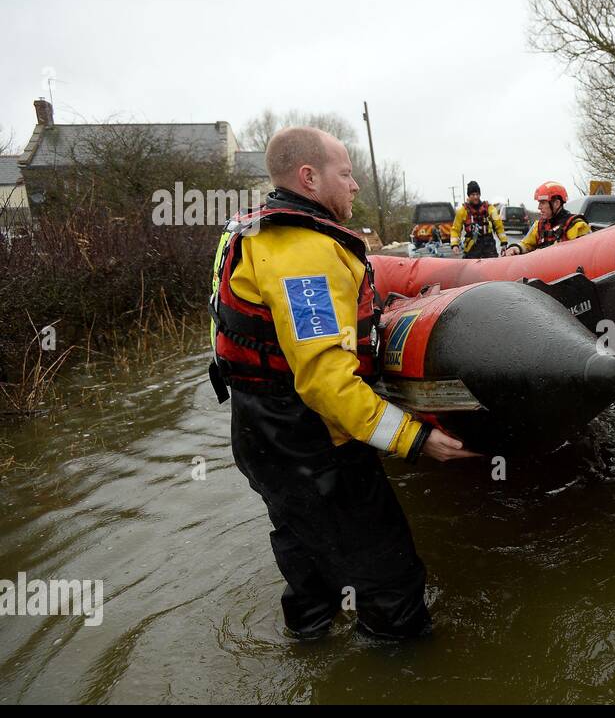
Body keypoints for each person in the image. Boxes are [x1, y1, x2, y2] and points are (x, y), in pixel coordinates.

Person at [207, 126, 478, 641]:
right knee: (391, 579)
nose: (356, 186)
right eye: (347, 174)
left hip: (259, 430)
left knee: (304, 545)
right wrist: (416, 440)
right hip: (308, 440)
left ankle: (308, 640)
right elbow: (325, 383)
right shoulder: (304, 254)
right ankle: (398, 671)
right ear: (309, 178)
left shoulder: (255, 234)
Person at [503, 181, 590, 255]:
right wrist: (516, 248)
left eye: (543, 203)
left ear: (556, 203)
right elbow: (527, 244)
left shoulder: (576, 225)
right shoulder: (539, 225)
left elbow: (581, 256)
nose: (539, 207)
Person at [449, 180, 507, 259]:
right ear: (469, 196)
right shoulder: (462, 211)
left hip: (488, 246)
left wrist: (504, 242)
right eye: (473, 194)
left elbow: (499, 226)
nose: (476, 197)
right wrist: (455, 245)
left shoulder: (490, 209)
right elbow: (455, 229)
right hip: (472, 247)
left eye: (477, 194)